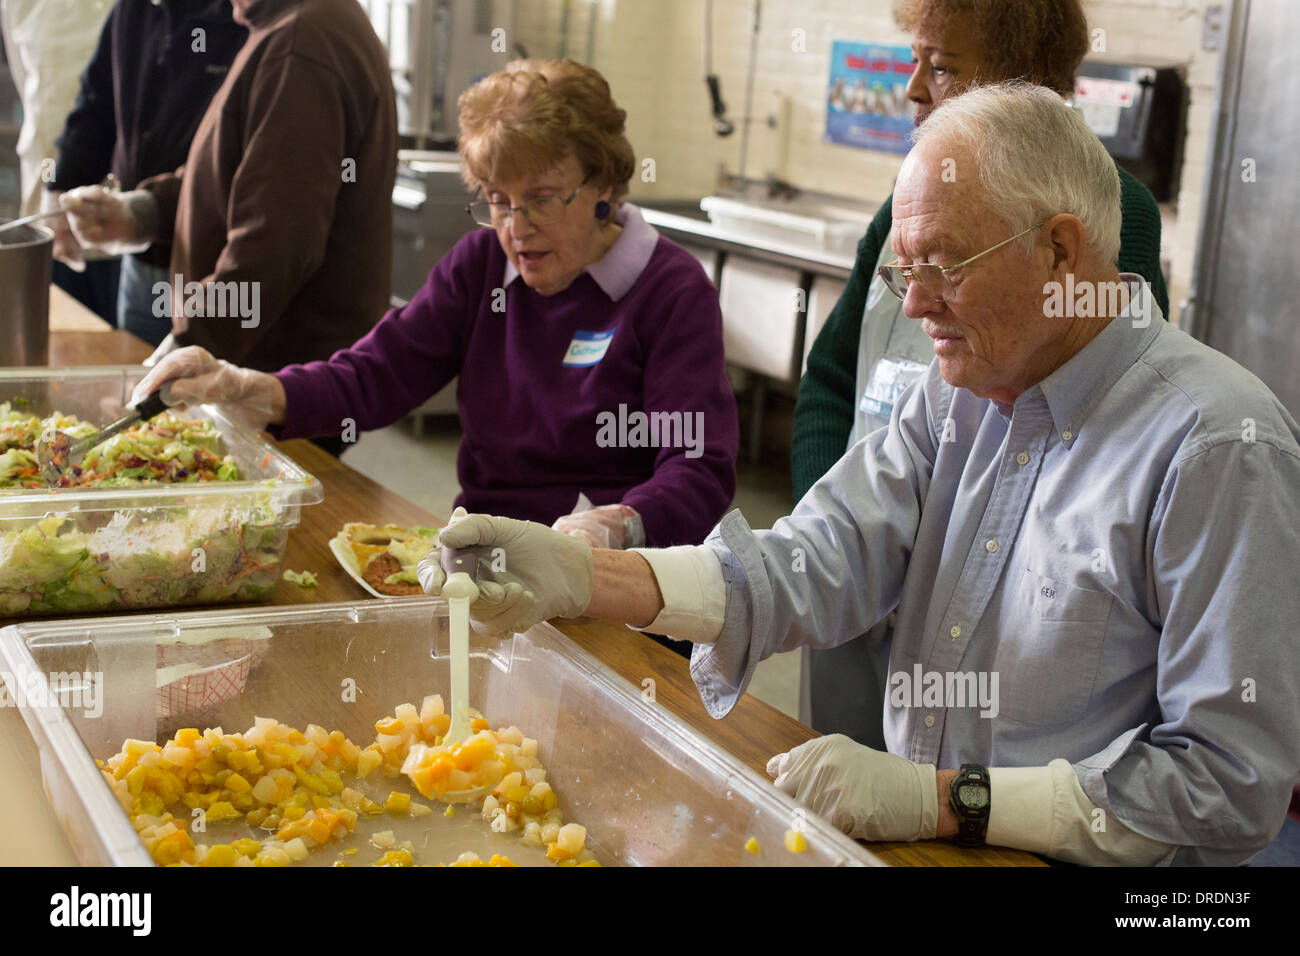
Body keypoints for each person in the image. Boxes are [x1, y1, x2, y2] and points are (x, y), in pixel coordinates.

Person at [414, 84, 1300, 866]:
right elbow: (818, 555)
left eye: (941, 267)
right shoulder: (961, 388)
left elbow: (1228, 782)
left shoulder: (1218, 446)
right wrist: (581, 574)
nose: (913, 306)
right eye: (901, 272)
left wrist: (947, 798)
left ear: (1062, 252)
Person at [131, 58, 739, 551]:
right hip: (483, 560)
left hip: (615, 587)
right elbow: (375, 375)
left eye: (543, 198)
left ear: (603, 184)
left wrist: (617, 527)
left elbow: (697, 468)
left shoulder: (670, 293)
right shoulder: (481, 268)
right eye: (497, 200)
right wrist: (247, 388)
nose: (515, 227)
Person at [792, 0, 1169, 750]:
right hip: (859, 559)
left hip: (969, 579)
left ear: (1016, 82)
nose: (913, 88)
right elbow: (829, 377)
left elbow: (1089, 411)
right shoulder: (904, 208)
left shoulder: (1104, 210)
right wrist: (834, 535)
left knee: (939, 801)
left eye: (942, 66)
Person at [60, 0, 396, 457]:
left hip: (279, 381)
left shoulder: (304, 40)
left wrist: (189, 346)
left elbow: (275, 242)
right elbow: (231, 175)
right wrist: (138, 213)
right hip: (263, 368)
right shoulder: (280, 25)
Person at [44, 0, 247, 345]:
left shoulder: (246, 18)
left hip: (217, 272)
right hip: (139, 259)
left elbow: (240, 163)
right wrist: (62, 185)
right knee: (133, 382)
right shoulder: (133, 8)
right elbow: (97, 101)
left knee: (190, 390)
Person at [1, 0, 118, 323]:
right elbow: (29, 89)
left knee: (119, 329)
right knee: (58, 323)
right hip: (47, 186)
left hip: (121, 196)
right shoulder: (19, 5)